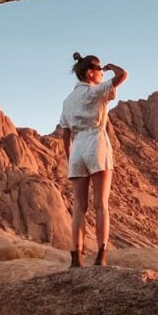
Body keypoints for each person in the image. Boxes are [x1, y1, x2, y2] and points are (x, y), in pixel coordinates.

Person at [54, 51, 128, 267]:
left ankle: (76, 256)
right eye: (99, 70)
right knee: (101, 203)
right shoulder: (95, 91)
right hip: (96, 143)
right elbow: (123, 75)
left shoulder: (68, 101)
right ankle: (101, 254)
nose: (102, 74)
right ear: (90, 73)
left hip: (77, 149)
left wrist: (70, 157)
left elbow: (65, 133)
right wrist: (111, 66)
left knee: (79, 205)